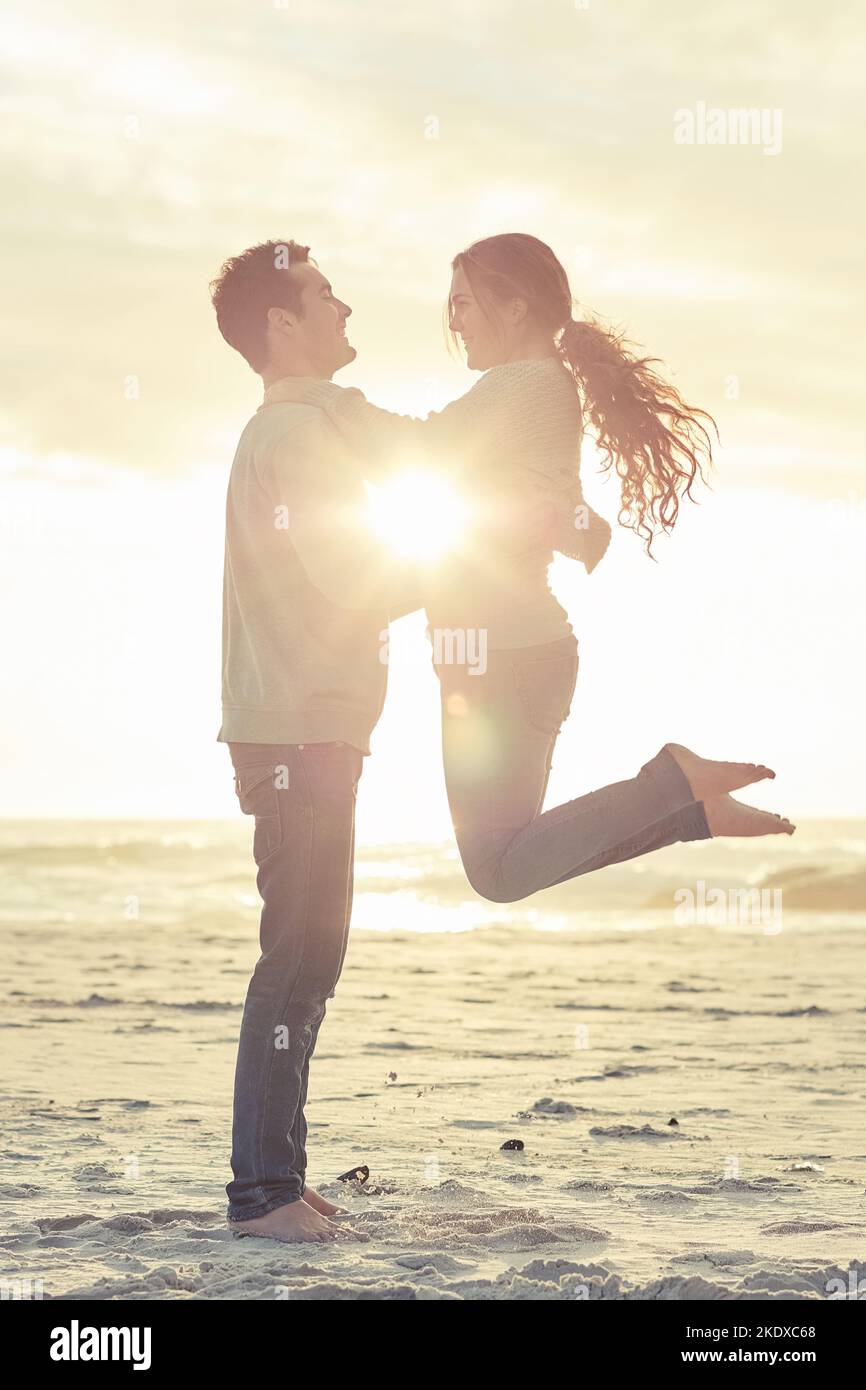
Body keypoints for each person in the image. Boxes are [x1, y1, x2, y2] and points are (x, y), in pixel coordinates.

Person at [270, 232, 794, 906]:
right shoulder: (541, 387)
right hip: (516, 654)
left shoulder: (524, 383)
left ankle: (671, 786)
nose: (452, 320)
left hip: (503, 657)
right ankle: (685, 811)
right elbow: (547, 519)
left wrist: (320, 396)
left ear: (513, 307)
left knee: (497, 870)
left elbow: (420, 448)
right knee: (508, 862)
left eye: (462, 302)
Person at [209, 238, 549, 1244]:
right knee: (296, 957)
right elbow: (340, 575)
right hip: (297, 735)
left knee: (307, 956)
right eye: (323, 295)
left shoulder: (292, 427)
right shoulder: (297, 435)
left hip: (303, 731)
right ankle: (258, 1194)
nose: (344, 306)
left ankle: (275, 1177)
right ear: (280, 323)